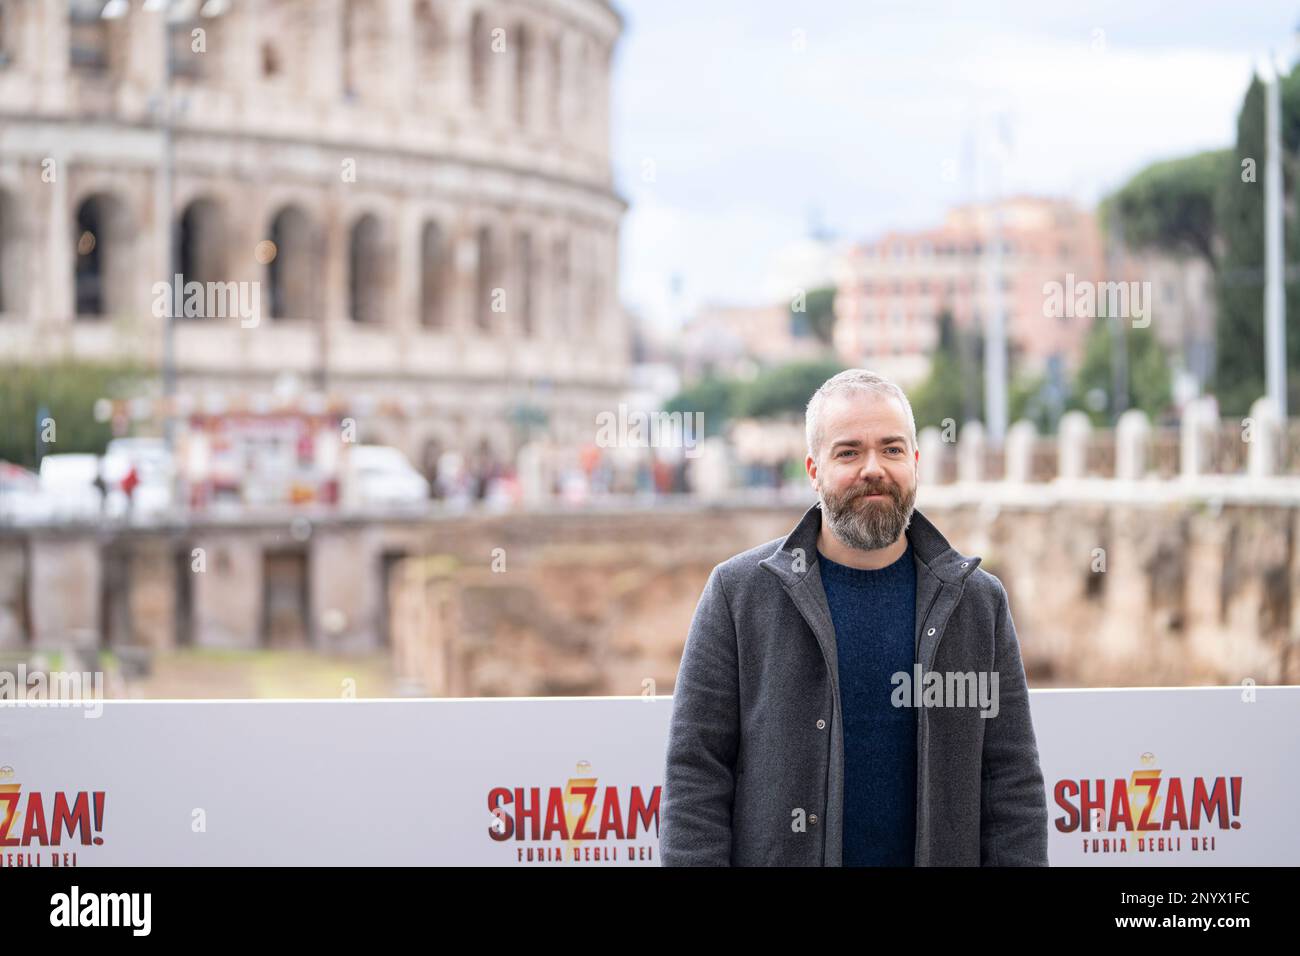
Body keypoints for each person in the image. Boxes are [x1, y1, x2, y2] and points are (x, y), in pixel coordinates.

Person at [660, 368, 1048, 866]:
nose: (873, 468)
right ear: (813, 469)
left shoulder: (977, 603)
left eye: (891, 449)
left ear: (915, 461)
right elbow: (696, 776)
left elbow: (1012, 783)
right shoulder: (738, 596)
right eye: (848, 452)